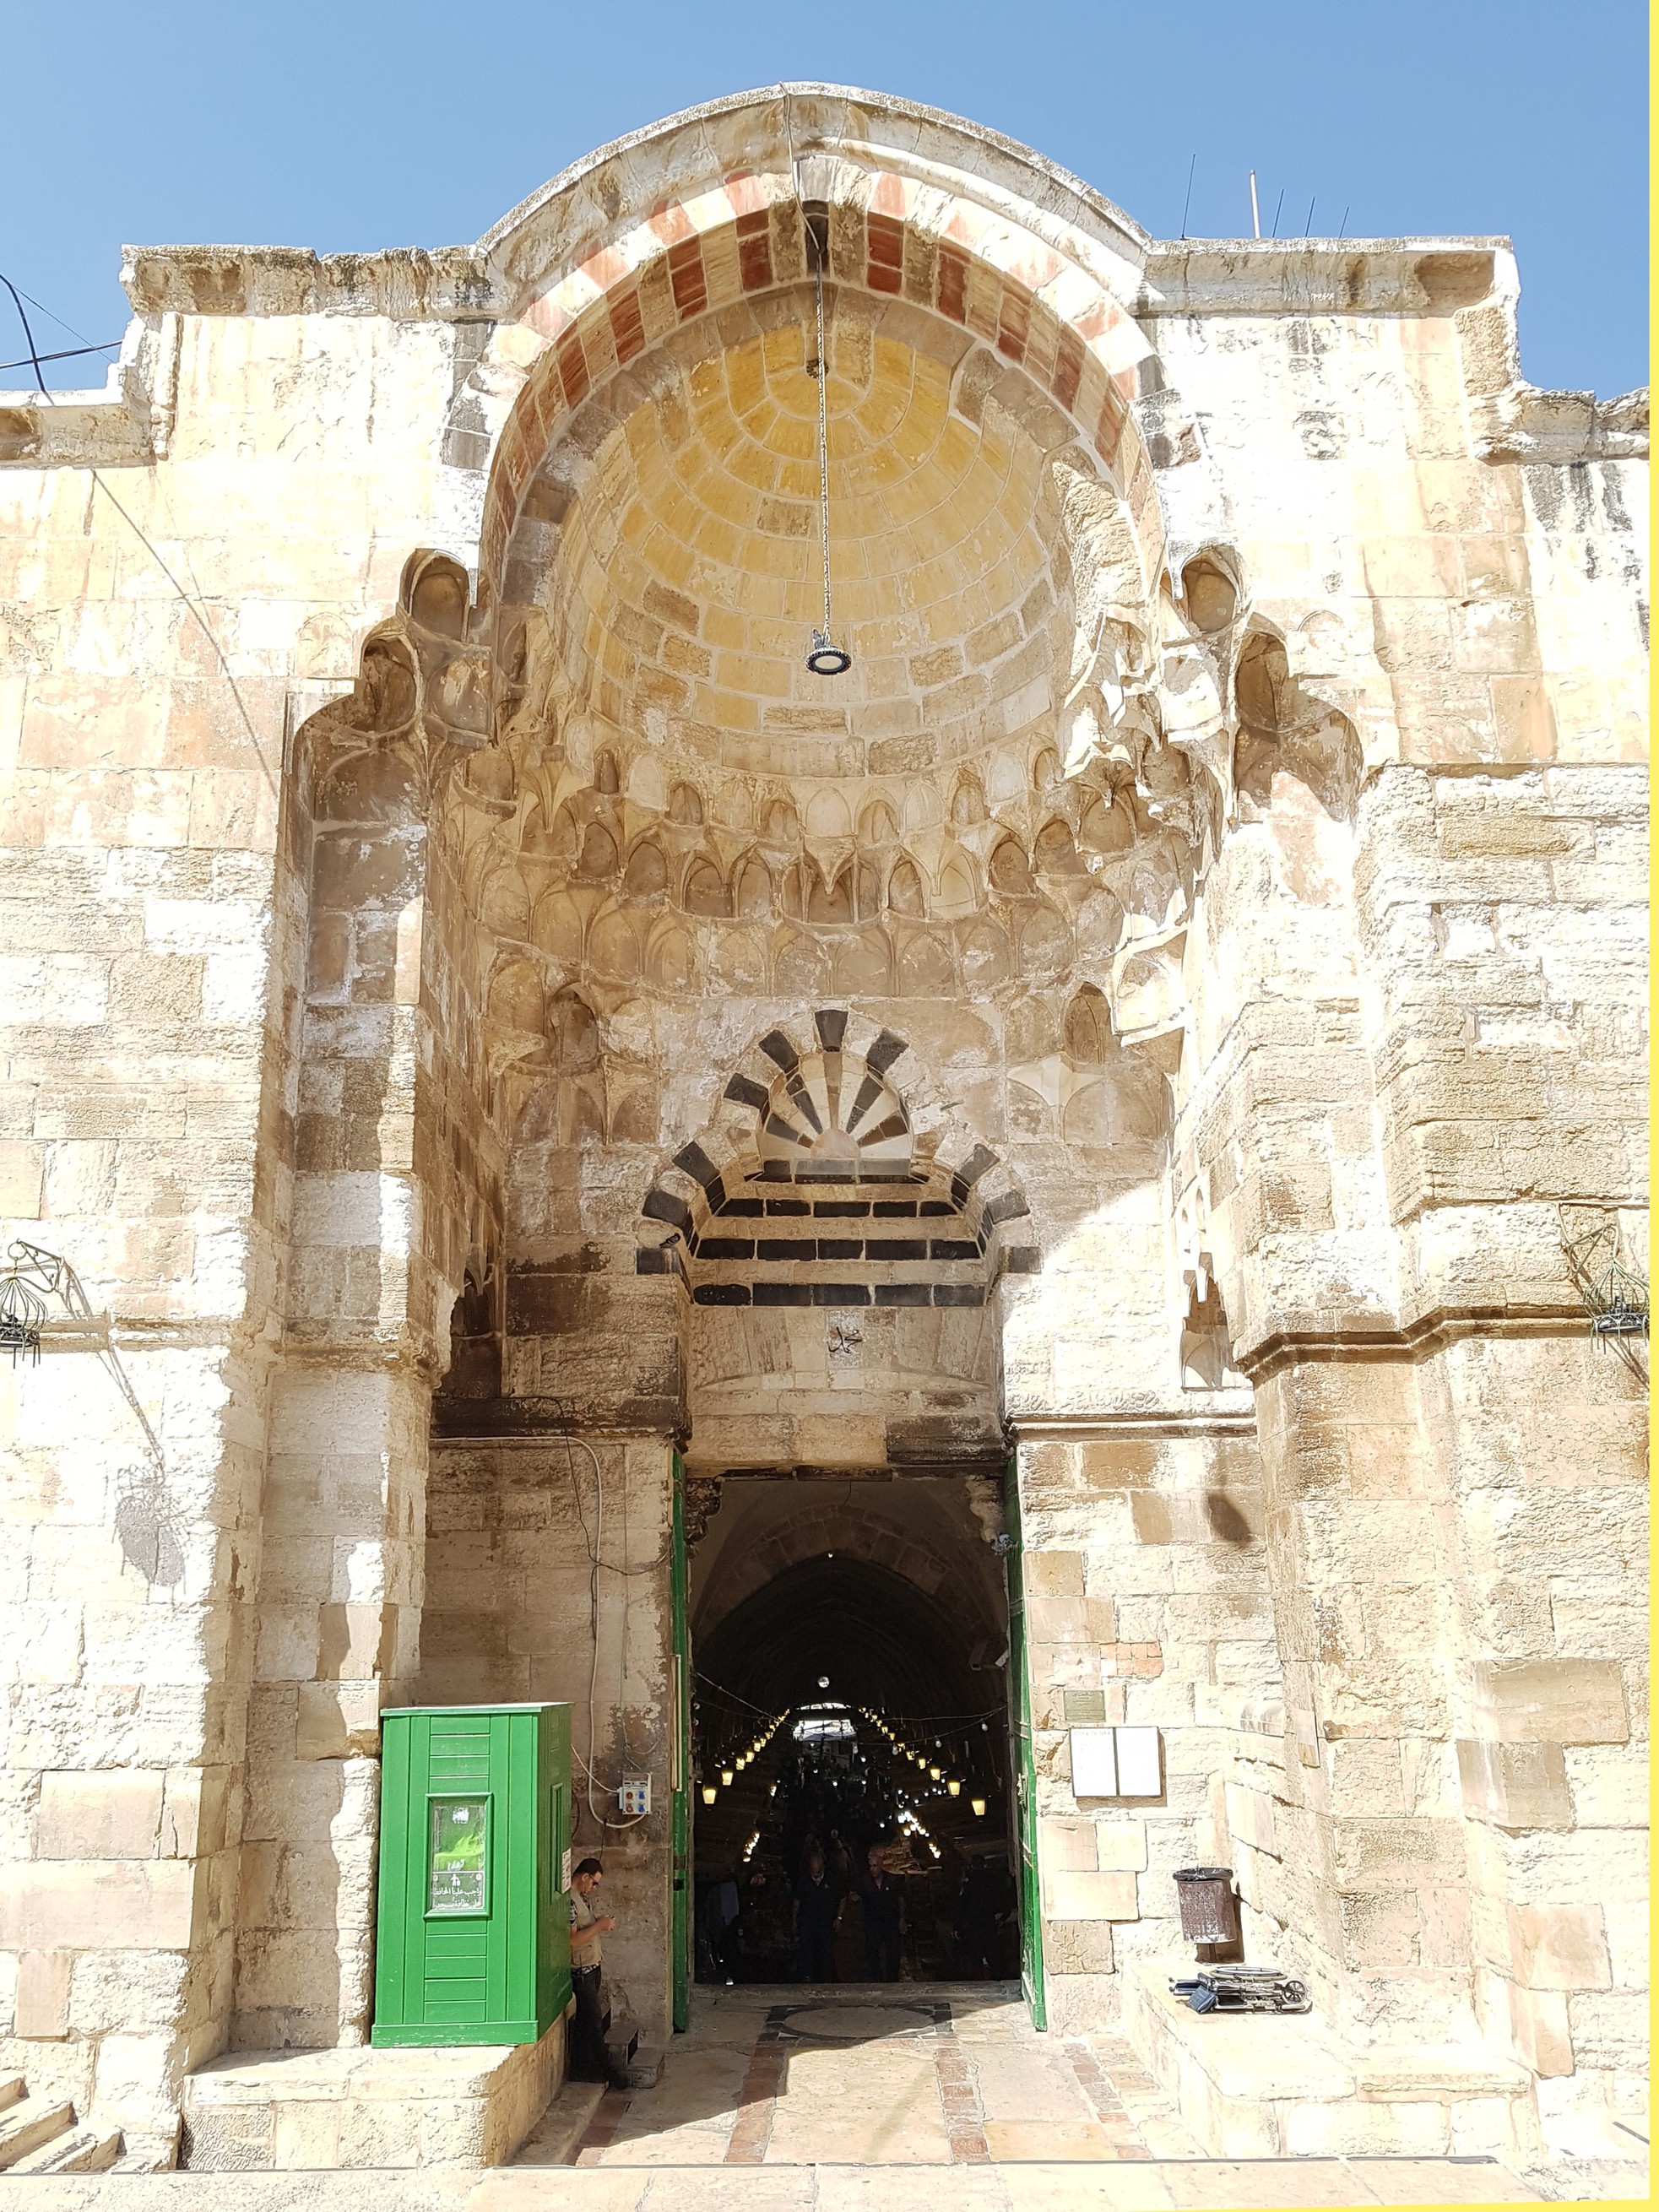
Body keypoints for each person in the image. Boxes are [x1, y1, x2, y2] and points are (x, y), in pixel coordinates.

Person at [568, 1857, 627, 2085]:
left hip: (592, 1965)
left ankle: (583, 2069)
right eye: (594, 1883)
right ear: (585, 1877)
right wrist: (599, 1925)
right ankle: (609, 2073)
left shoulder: (581, 1898)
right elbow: (572, 1940)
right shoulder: (570, 1903)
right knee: (592, 2023)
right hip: (581, 1969)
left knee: (586, 2022)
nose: (593, 1889)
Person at [793, 1846, 840, 1982]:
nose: (816, 1876)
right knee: (807, 1952)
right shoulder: (803, 1881)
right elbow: (797, 1902)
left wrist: (839, 1918)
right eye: (813, 1873)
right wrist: (794, 1921)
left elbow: (842, 1898)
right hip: (808, 1923)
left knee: (826, 1953)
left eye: (818, 1872)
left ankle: (827, 1979)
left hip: (826, 1924)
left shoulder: (832, 1879)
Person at [858, 1844, 902, 1982]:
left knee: (893, 1954)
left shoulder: (892, 1881)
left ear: (881, 1866)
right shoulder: (864, 1882)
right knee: (872, 1954)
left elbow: (900, 1899)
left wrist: (902, 1918)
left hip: (890, 1922)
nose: (872, 1869)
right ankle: (876, 1980)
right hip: (872, 1923)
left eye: (875, 1866)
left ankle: (892, 1980)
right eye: (870, 1866)